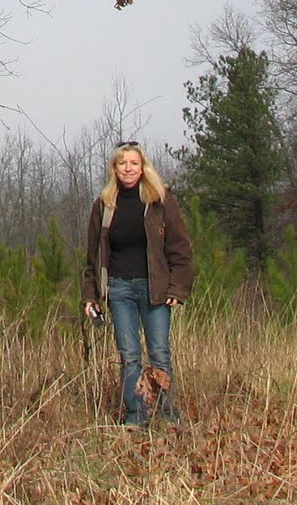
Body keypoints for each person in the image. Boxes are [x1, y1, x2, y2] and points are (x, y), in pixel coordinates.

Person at [82, 141, 194, 427]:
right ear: (114, 168)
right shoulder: (104, 205)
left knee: (159, 352)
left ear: (143, 167)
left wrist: (177, 289)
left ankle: (167, 414)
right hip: (118, 289)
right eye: (122, 164)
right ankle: (135, 416)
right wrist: (90, 297)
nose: (128, 169)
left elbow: (180, 248)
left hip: (154, 290)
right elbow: (92, 256)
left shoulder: (160, 200)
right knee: (129, 355)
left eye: (134, 163)